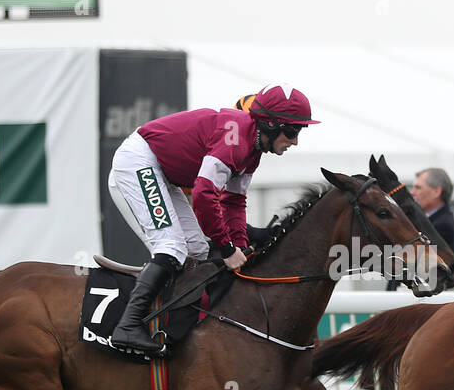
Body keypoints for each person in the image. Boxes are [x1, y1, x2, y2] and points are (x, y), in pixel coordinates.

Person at [106, 84, 319, 357]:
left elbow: (234, 202)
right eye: (292, 131)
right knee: (171, 247)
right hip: (139, 161)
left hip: (163, 173)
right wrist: (228, 249)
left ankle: (172, 321)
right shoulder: (237, 141)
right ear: (269, 124)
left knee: (198, 249)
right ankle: (129, 324)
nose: (295, 141)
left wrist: (240, 246)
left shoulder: (253, 150)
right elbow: (205, 196)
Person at [386, 168, 454, 292]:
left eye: (418, 188)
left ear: (436, 191)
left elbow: (415, 264)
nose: (413, 192)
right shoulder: (434, 220)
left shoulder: (444, 224)